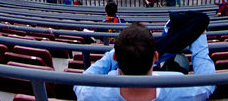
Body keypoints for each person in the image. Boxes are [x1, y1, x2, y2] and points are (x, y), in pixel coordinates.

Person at [73, 23, 215, 101]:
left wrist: (113, 54)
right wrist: (199, 33)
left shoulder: (90, 93)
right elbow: (208, 84)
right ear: (155, 57)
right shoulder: (181, 87)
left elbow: (80, 82)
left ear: (116, 58)